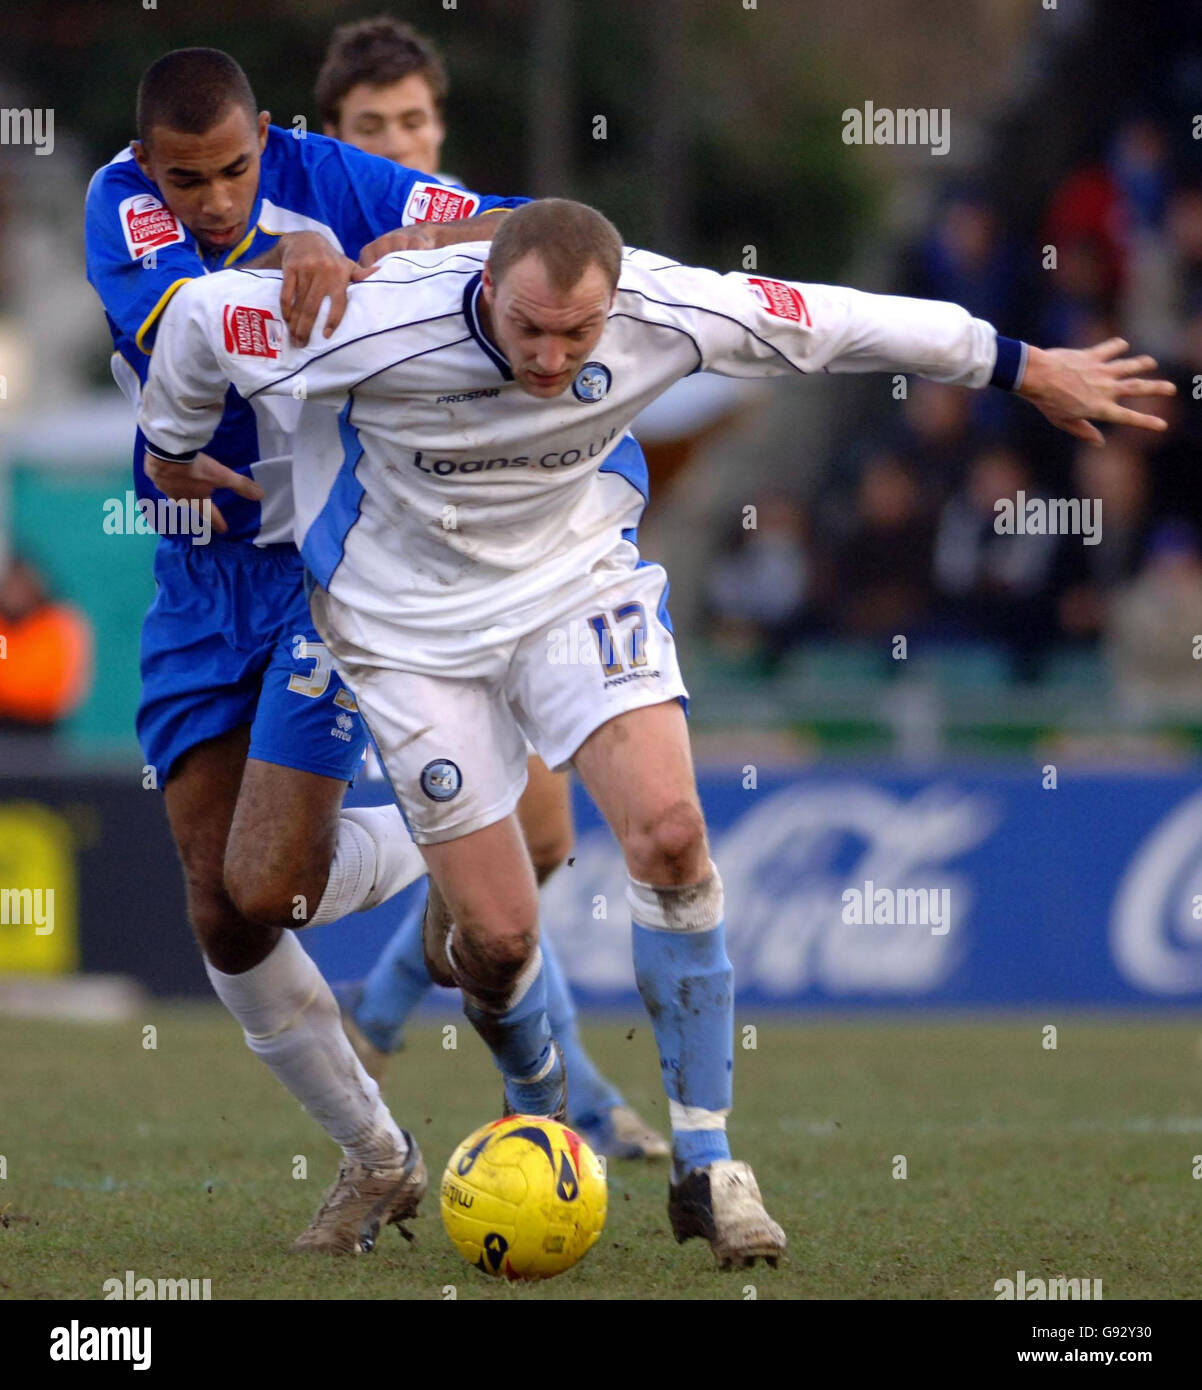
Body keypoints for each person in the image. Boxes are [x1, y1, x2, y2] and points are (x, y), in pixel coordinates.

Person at [136, 199, 1173, 1268]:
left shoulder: (666, 308)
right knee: (495, 943)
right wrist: (170, 446)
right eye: (527, 327)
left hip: (576, 589)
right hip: (406, 636)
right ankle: (539, 1106)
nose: (549, 356)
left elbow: (838, 321)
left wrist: (1015, 363)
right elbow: (204, 317)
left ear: (611, 303)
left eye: (576, 335)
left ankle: (708, 1164)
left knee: (672, 833)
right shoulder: (380, 317)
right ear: (484, 283)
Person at [84, 45, 525, 1254]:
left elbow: (526, 227)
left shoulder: (336, 174)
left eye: (234, 170)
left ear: (267, 137)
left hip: (327, 562)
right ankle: (377, 1156)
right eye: (189, 179)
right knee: (222, 910)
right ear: (148, 167)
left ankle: (457, 845)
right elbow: (187, 315)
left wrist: (409, 246)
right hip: (193, 573)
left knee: (269, 881)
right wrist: (291, 255)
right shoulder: (116, 202)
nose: (215, 198)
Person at [313, 13, 667, 1161]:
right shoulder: (304, 247)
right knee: (468, 847)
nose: (399, 145)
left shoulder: (489, 241)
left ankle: (378, 1013)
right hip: (363, 586)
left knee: (541, 839)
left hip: (505, 577)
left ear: (438, 124)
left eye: (413, 121)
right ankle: (573, 1106)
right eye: (371, 128)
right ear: (332, 137)